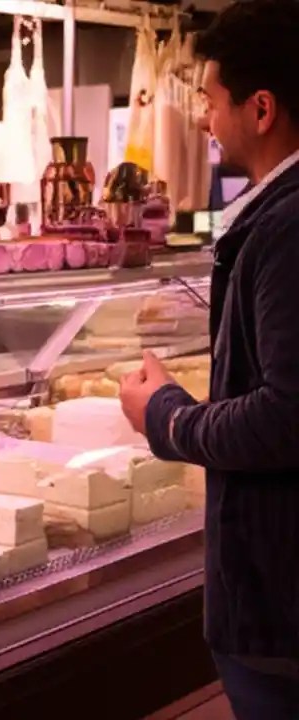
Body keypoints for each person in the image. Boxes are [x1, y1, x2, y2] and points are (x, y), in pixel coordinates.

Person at [119, 1, 299, 718]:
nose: (202, 120)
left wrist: (163, 415)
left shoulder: (287, 226)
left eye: (212, 102)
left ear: (261, 108)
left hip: (280, 606)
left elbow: (285, 417)